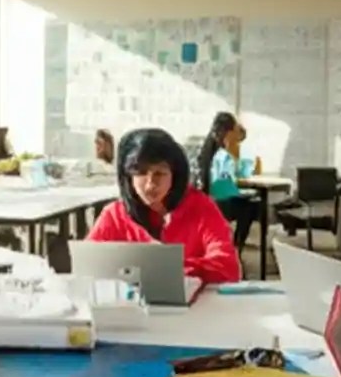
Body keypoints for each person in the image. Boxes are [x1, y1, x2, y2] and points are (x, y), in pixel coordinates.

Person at [88, 128, 241, 284]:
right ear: (127, 176)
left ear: (175, 174)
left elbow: (228, 267)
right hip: (131, 306)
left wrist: (167, 269)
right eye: (140, 173)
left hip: (193, 306)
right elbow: (88, 265)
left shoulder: (201, 207)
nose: (150, 184)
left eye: (159, 173)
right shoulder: (114, 215)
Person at [196, 111, 258, 247]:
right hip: (218, 203)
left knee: (248, 202)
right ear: (229, 131)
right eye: (235, 132)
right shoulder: (222, 151)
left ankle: (234, 246)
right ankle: (236, 247)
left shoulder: (209, 145)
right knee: (252, 207)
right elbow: (228, 180)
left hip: (206, 199)